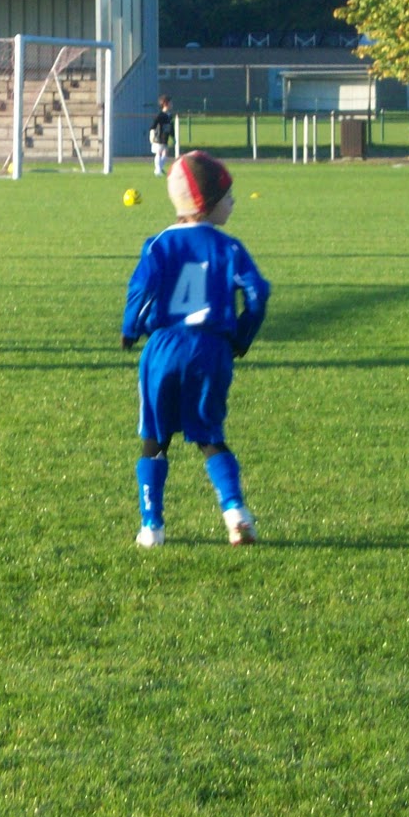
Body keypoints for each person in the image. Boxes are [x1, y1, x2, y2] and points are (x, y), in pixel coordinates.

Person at [122, 151, 270, 547]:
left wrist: (129, 328)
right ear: (207, 203)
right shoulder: (229, 248)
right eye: (227, 197)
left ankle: (151, 527)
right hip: (212, 350)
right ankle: (235, 512)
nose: (233, 203)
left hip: (165, 348)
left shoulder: (158, 244)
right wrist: (242, 336)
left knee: (155, 440)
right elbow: (257, 294)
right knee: (209, 435)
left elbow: (140, 289)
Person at [149, 94, 174, 176]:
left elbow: (171, 127)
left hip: (165, 137)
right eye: (170, 103)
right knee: (159, 153)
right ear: (165, 104)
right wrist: (152, 134)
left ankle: (159, 168)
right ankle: (158, 170)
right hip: (159, 137)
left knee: (165, 153)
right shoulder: (160, 115)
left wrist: (173, 137)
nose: (172, 104)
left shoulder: (169, 116)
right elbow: (153, 125)